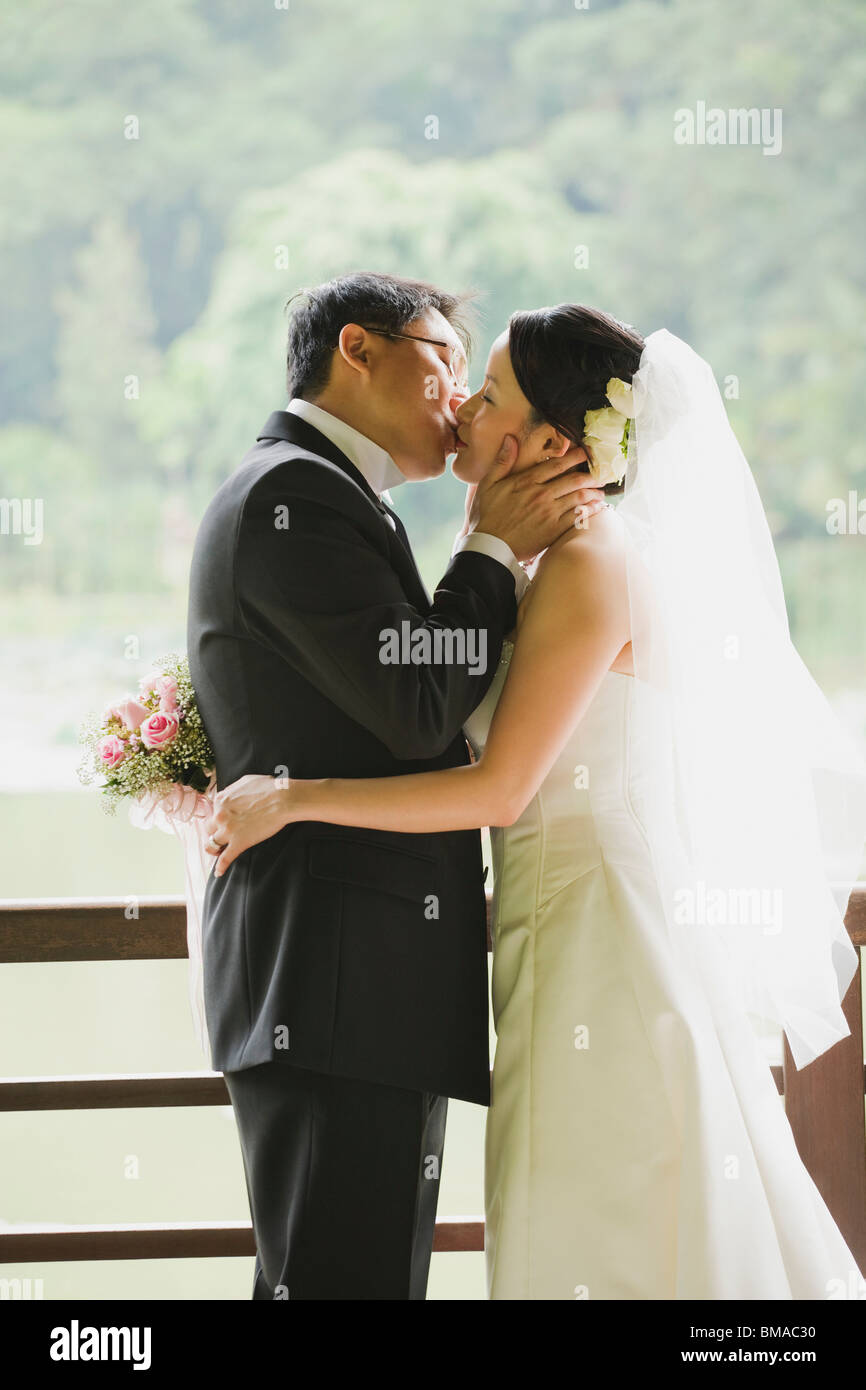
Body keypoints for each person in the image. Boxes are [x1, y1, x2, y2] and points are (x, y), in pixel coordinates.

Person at [206, 303, 866, 1299]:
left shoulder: (587, 566)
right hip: (550, 925)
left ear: (555, 442)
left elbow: (497, 785)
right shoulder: (541, 563)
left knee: (605, 1207)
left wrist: (295, 799)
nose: (464, 407)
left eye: (490, 391)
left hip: (599, 932)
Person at [186, 272, 604, 1300]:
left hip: (353, 985)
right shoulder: (293, 494)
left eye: (477, 376)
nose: (459, 398)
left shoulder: (325, 496)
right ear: (359, 351)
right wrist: (493, 546)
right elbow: (419, 700)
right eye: (444, 360)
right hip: (333, 984)